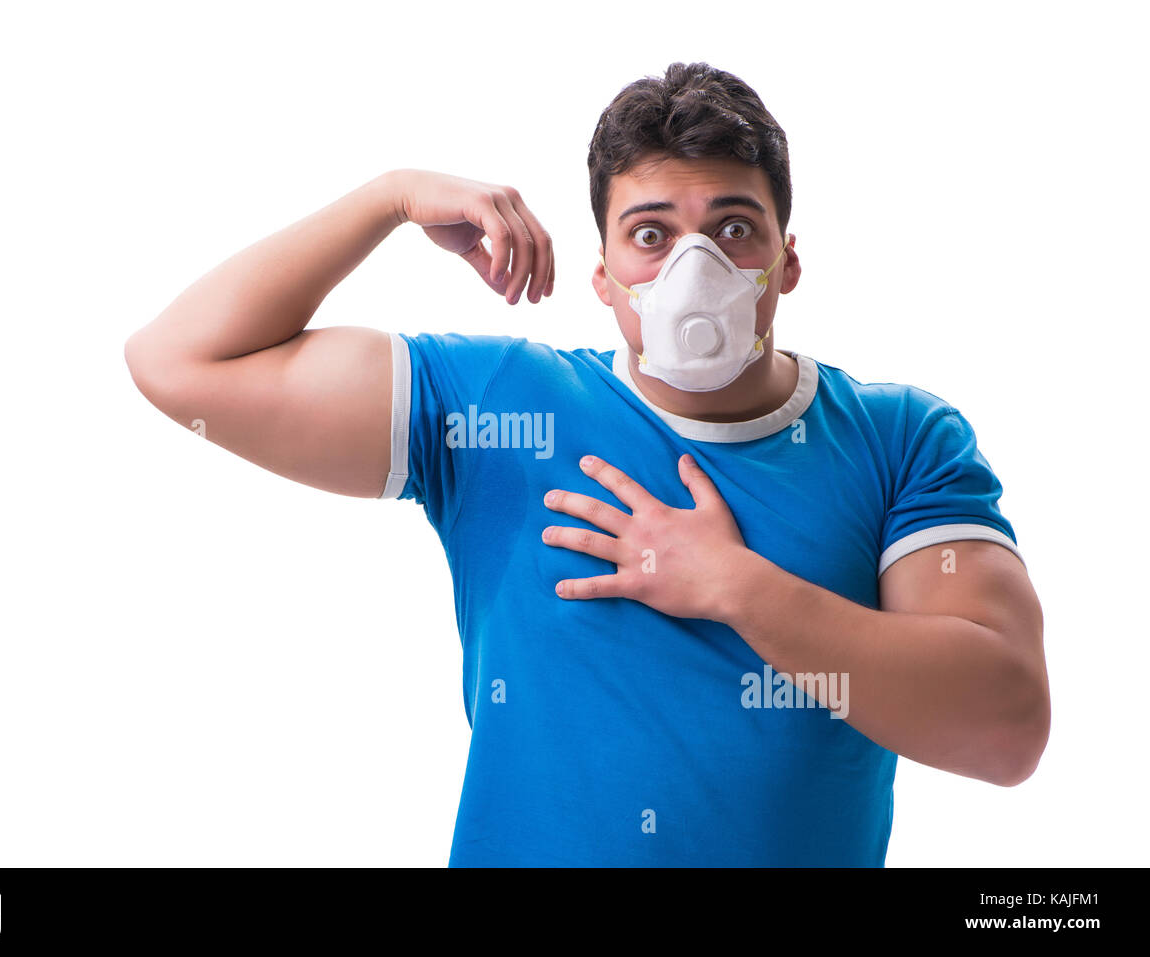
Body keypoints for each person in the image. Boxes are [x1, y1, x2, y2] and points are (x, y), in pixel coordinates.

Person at [124, 62, 1050, 866]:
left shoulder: (900, 439)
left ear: (787, 260)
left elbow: (1006, 725)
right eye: (651, 233)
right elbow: (181, 364)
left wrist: (736, 585)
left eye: (734, 227)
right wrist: (391, 197)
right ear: (603, 273)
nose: (695, 265)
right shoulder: (500, 409)